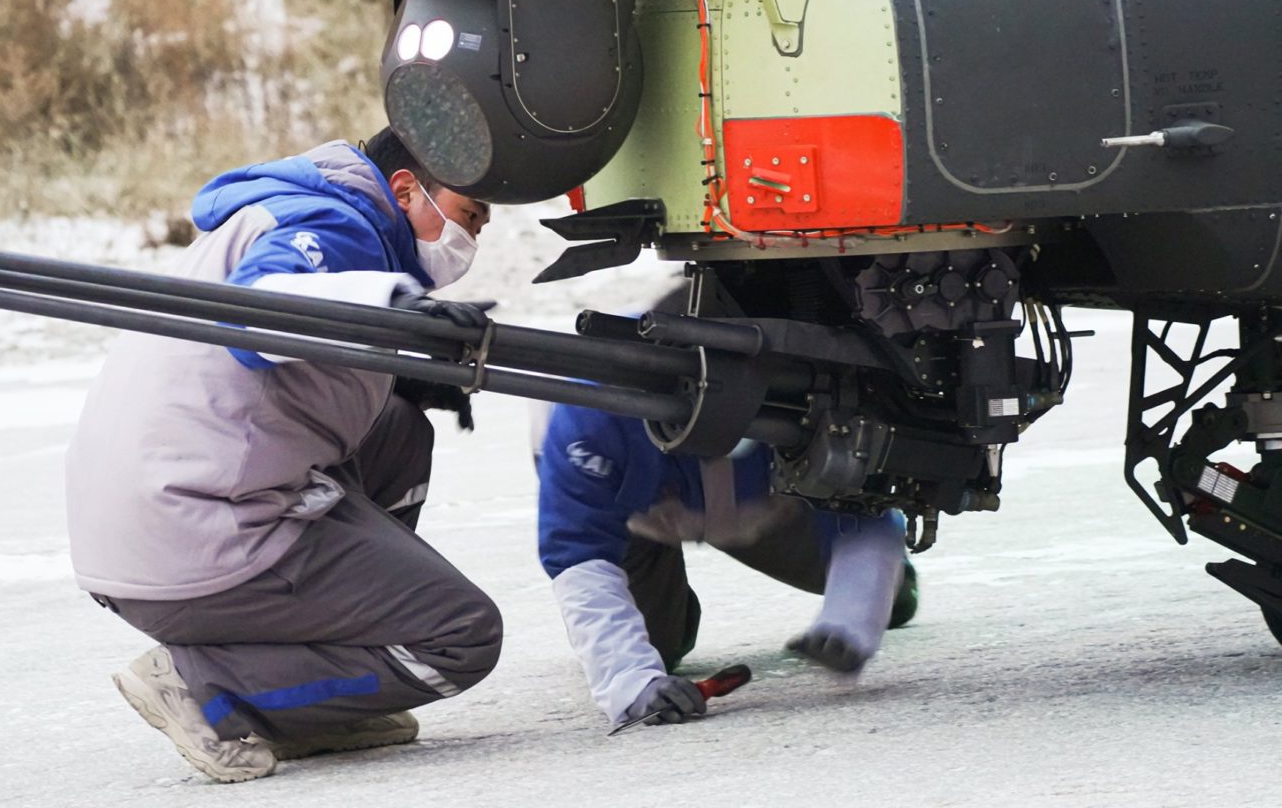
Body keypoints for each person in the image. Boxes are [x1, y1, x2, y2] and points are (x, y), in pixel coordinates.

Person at [65, 128, 500, 782]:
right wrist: (395, 304)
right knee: (460, 637)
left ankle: (320, 701)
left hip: (145, 518)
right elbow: (257, 316)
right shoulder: (340, 225)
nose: (472, 238)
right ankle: (207, 689)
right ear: (406, 190)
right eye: (469, 216)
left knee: (400, 431)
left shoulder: (307, 206)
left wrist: (399, 377)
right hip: (191, 540)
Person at [534, 399, 919, 729]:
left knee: (878, 588)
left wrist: (852, 615)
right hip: (636, 518)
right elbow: (580, 553)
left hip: (773, 506)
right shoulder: (588, 418)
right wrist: (631, 681)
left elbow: (861, 512)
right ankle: (672, 612)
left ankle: (894, 586)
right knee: (654, 655)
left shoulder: (808, 388)